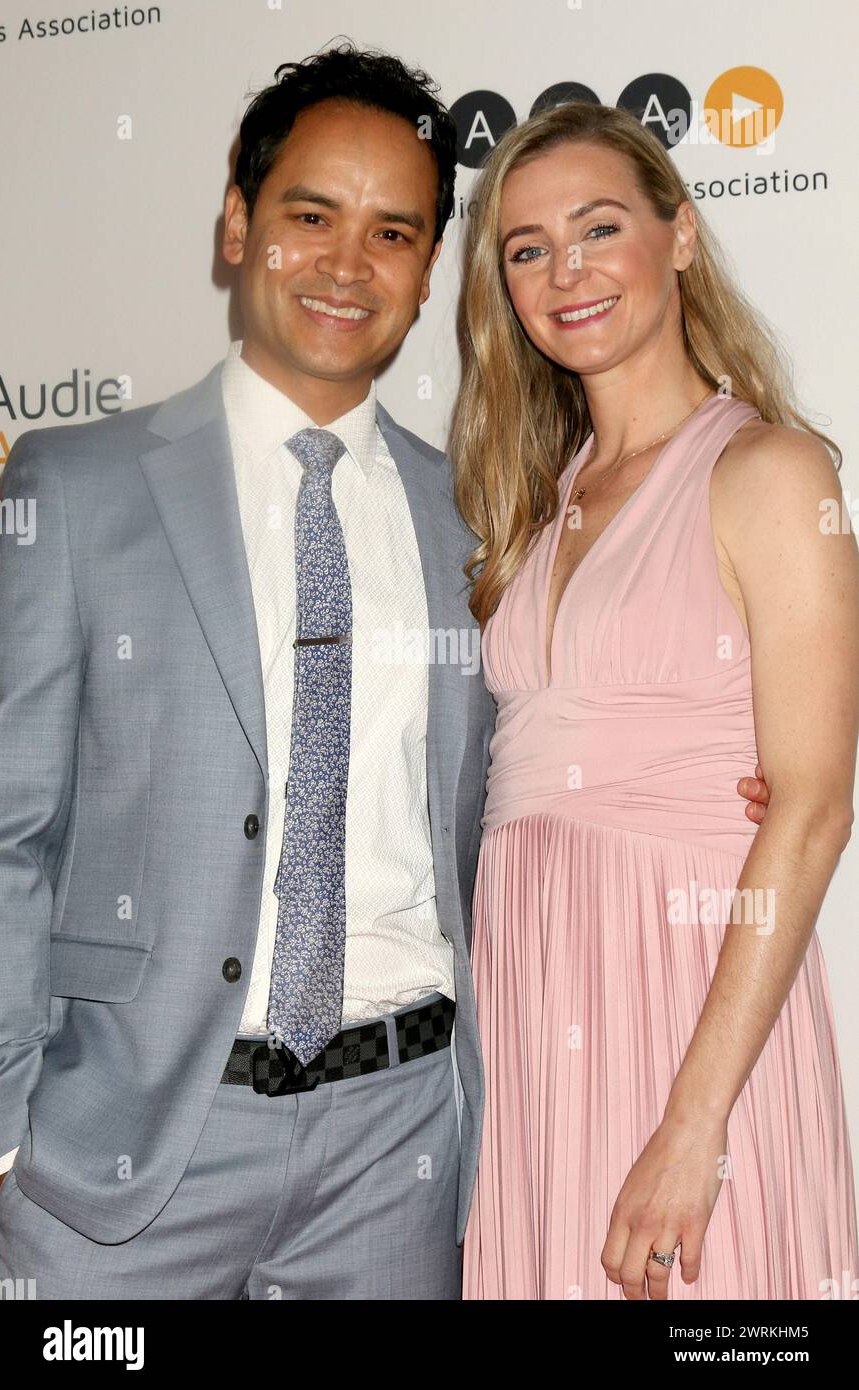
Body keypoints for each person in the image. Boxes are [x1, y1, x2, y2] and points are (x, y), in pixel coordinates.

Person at [0, 45, 768, 1301]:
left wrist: (719, 778)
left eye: (395, 232)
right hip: (120, 1164)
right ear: (238, 226)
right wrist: (4, 1135)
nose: (349, 264)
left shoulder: (479, 519)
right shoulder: (75, 489)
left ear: (425, 276)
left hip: (401, 1153)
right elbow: (6, 829)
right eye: (311, 216)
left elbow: (546, 749)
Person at [451, 99, 859, 1300]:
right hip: (526, 1009)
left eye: (597, 228)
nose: (563, 272)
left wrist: (693, 1126)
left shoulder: (772, 473)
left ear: (679, 237)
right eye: (526, 248)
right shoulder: (525, 507)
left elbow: (811, 807)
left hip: (693, 1014)